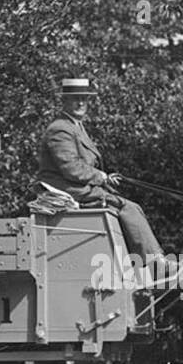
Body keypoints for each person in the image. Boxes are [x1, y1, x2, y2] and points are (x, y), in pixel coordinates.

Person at [36, 77, 165, 264]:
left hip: (79, 188)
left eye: (84, 98)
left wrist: (106, 178)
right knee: (128, 207)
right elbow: (71, 168)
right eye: (75, 98)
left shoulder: (75, 127)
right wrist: (101, 177)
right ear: (63, 101)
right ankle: (155, 263)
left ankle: (142, 264)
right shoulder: (60, 129)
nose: (81, 102)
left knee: (128, 206)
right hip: (66, 190)